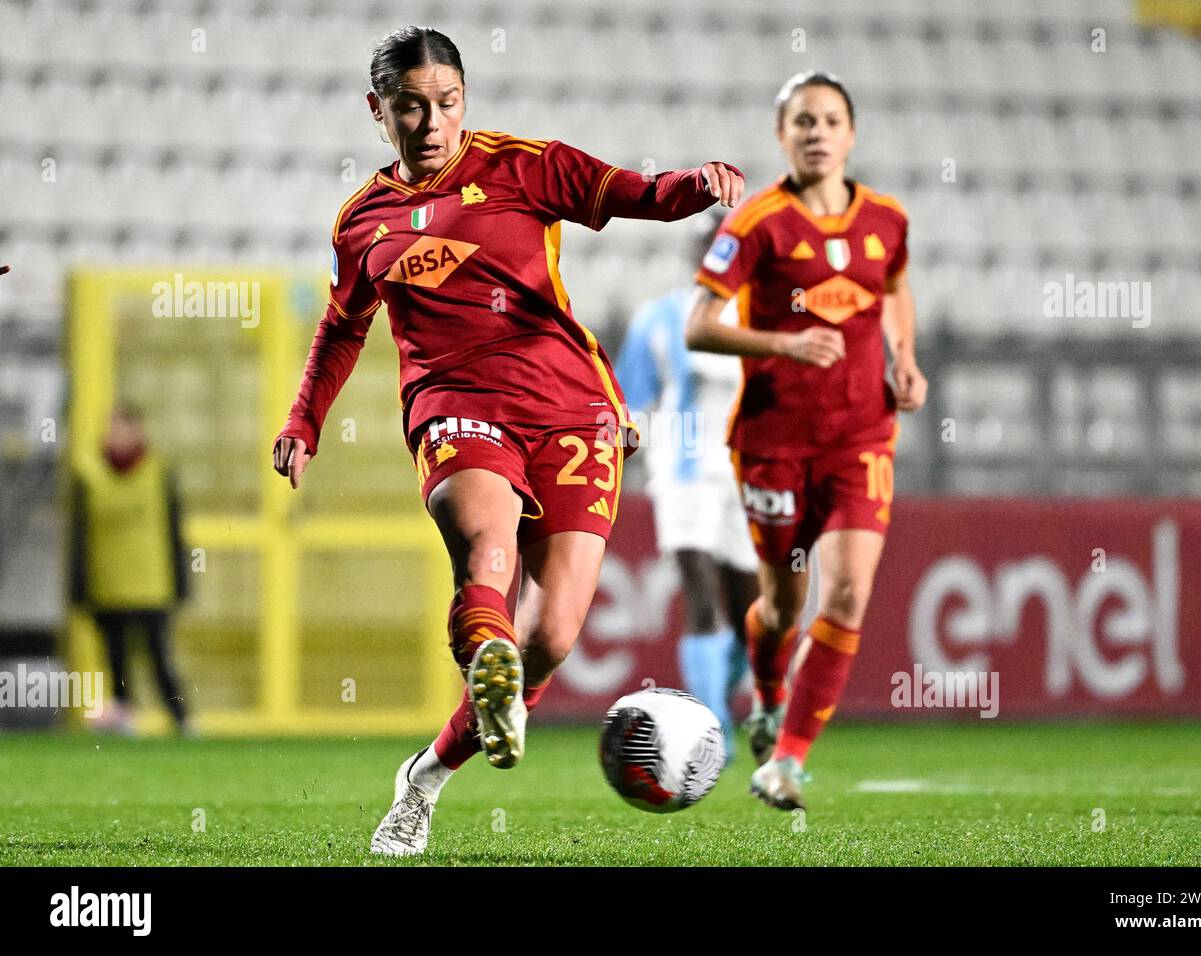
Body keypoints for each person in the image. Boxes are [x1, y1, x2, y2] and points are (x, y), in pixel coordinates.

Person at [271, 26, 744, 856]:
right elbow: (342, 328)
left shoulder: (523, 166)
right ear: (376, 110)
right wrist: (303, 419)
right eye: (410, 107)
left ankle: (425, 774)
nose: (430, 124)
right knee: (485, 542)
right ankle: (487, 657)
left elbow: (630, 191)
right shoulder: (361, 223)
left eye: (447, 104)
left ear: (465, 101)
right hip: (453, 404)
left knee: (554, 636)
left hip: (570, 410)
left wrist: (696, 186)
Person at [685, 71, 927, 810]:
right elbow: (700, 323)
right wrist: (783, 347)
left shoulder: (887, 219)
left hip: (860, 435)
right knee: (784, 607)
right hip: (774, 441)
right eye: (802, 121)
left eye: (829, 120)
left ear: (852, 135)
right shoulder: (757, 222)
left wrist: (904, 358)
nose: (817, 132)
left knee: (848, 593)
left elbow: (893, 288)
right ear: (781, 135)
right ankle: (764, 689)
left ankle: (786, 759)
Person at [614, 217, 758, 755]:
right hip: (682, 469)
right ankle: (712, 728)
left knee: (751, 612)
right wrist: (615, 462)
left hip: (745, 474)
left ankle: (748, 698)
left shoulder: (761, 321)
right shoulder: (661, 318)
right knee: (699, 588)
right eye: (708, 242)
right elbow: (628, 402)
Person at [69, 404, 192, 734]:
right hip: (107, 584)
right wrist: (78, 588)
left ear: (138, 430)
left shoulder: (159, 471)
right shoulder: (89, 473)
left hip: (152, 584)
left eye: (122, 427)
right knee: (115, 659)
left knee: (159, 658)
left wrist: (182, 582)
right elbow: (79, 536)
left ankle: (182, 721)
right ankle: (124, 720)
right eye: (111, 427)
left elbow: (174, 530)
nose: (115, 434)